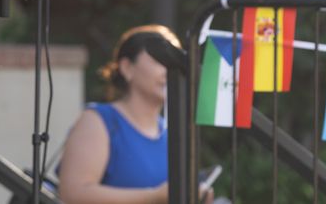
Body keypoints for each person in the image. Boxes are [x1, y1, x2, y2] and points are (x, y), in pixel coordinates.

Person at [57, 25, 213, 204]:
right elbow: (73, 193)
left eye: (175, 62)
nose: (170, 71)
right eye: (160, 60)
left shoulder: (171, 133)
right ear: (127, 68)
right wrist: (154, 196)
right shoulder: (98, 121)